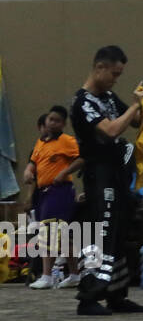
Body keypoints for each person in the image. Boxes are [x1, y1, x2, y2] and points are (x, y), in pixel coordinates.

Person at [70, 45, 143, 316]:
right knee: (99, 233)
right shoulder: (83, 102)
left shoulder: (110, 97)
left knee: (122, 231)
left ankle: (117, 293)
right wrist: (136, 104)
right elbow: (112, 129)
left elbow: (135, 122)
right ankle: (88, 296)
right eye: (114, 74)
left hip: (118, 173)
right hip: (99, 173)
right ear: (100, 67)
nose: (116, 80)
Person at [23, 105, 83, 290]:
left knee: (48, 233)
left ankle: (47, 275)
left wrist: (64, 172)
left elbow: (82, 158)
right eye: (50, 119)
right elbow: (33, 162)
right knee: (63, 236)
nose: (52, 123)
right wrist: (27, 171)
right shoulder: (41, 142)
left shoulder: (67, 141)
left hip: (60, 191)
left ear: (63, 124)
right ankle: (74, 275)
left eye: (57, 120)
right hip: (44, 192)